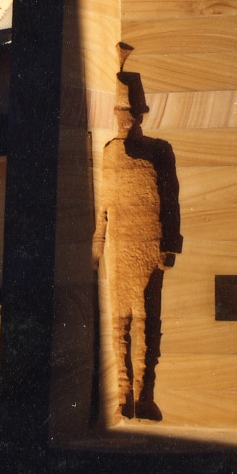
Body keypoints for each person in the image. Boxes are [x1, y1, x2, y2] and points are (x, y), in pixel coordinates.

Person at [92, 51, 182, 424]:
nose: (125, 121)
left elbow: (171, 199)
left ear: (141, 115)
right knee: (119, 324)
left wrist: (170, 244)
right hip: (119, 248)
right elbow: (102, 206)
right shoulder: (108, 152)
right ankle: (125, 396)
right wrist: (98, 245)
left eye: (130, 114)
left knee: (148, 323)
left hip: (149, 247)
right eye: (119, 114)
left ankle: (146, 394)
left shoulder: (159, 151)